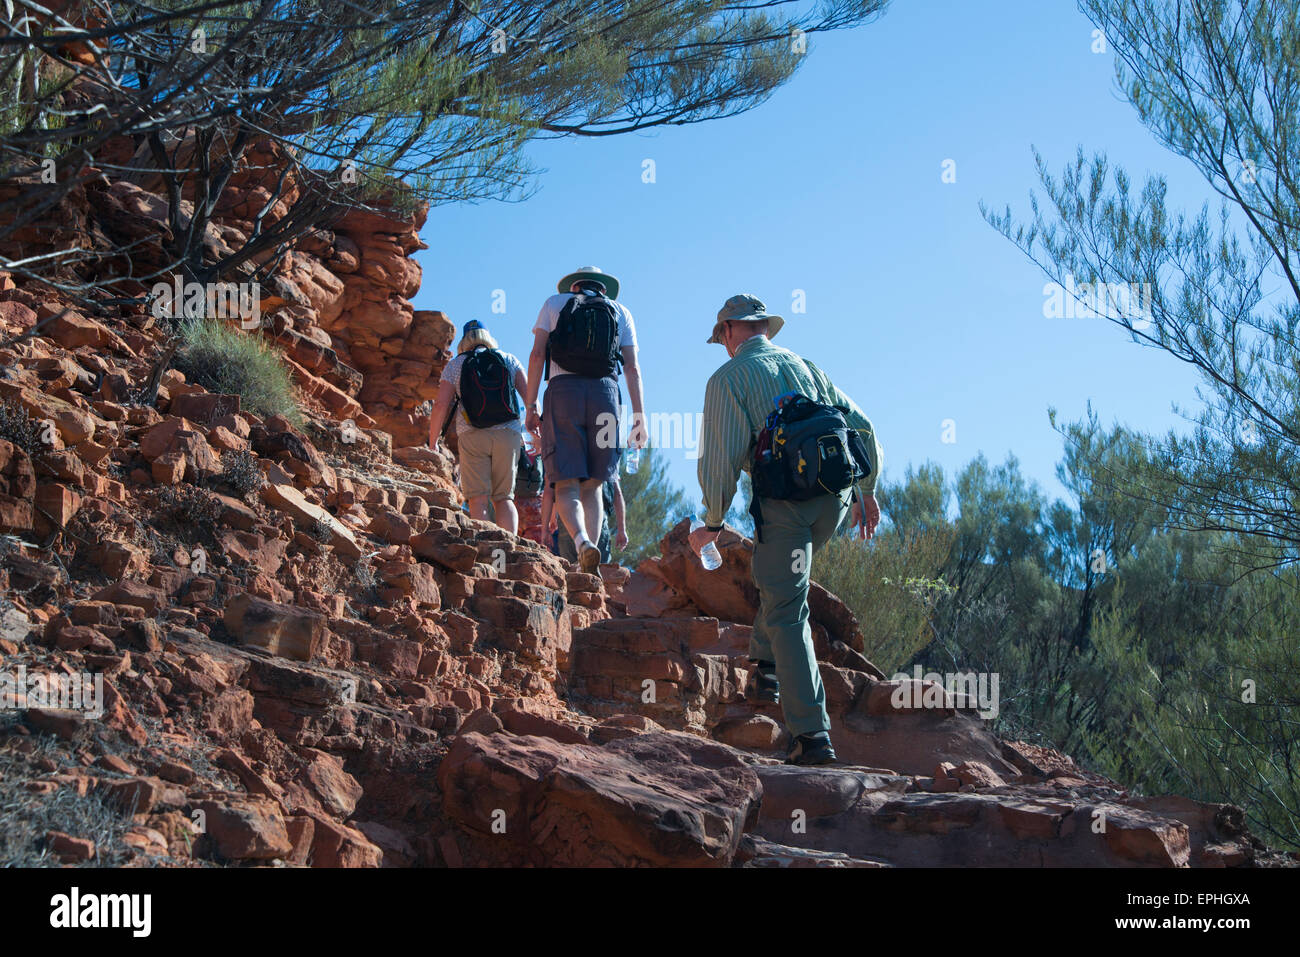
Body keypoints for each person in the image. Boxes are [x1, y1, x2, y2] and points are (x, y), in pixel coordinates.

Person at [689, 294, 883, 766]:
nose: (723, 346)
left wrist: (712, 522)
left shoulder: (728, 379)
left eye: (723, 337)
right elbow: (862, 424)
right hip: (832, 501)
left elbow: (721, 460)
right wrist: (868, 487)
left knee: (786, 608)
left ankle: (812, 736)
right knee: (778, 580)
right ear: (765, 330)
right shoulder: (806, 366)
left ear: (733, 331)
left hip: (785, 503)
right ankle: (767, 668)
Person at [526, 266, 646, 575]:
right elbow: (632, 368)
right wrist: (639, 417)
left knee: (565, 483)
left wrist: (530, 406)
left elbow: (537, 355)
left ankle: (581, 542)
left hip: (562, 391)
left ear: (574, 286)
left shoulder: (555, 303)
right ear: (604, 288)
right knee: (594, 485)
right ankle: (590, 565)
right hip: (606, 393)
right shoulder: (621, 312)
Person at [428, 320, 531, 534]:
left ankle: (487, 549)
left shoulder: (456, 364)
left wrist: (433, 440)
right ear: (488, 337)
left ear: (465, 341)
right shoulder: (508, 359)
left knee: (478, 499)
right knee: (504, 497)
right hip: (508, 433)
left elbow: (440, 405)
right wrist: (534, 426)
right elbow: (530, 398)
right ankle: (508, 550)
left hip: (472, 433)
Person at [549, 477, 627, 563]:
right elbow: (617, 494)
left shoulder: (567, 464)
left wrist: (553, 517)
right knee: (598, 565)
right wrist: (621, 530)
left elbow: (556, 492)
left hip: (569, 519)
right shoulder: (603, 465)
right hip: (596, 519)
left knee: (570, 569)